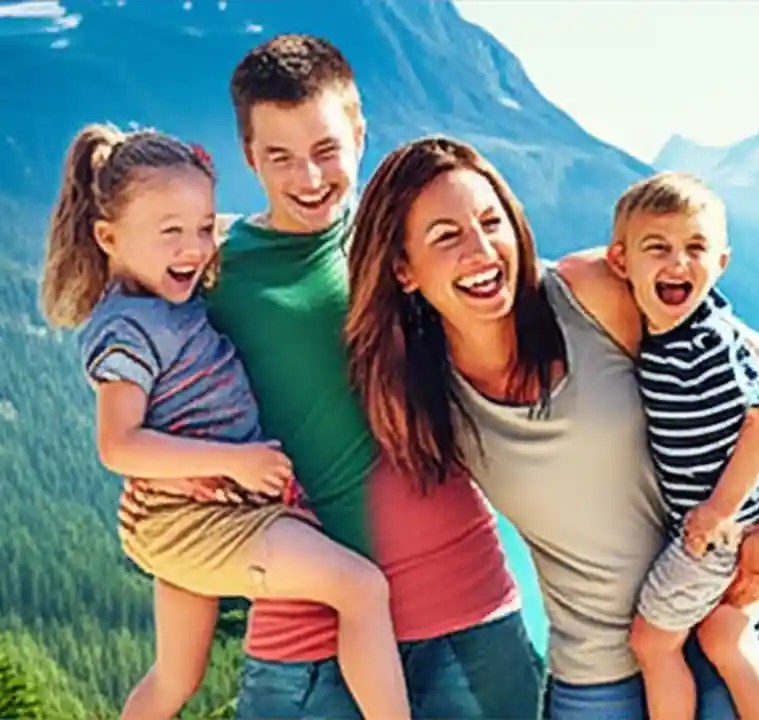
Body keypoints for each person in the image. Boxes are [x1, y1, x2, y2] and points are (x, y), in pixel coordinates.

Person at [345, 135, 759, 720]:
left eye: (490, 222)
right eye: (446, 237)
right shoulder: (422, 395)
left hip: (733, 621)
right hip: (598, 678)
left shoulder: (591, 293)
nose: (481, 251)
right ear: (403, 270)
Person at [207, 34, 543, 718]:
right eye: (280, 158)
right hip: (309, 642)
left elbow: (527, 289)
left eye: (327, 150)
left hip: (469, 620)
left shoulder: (413, 243)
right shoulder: (213, 272)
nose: (309, 178)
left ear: (360, 133)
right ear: (249, 156)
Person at [38, 123, 410, 720]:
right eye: (171, 233)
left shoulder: (167, 297)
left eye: (205, 227)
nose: (194, 248)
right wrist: (236, 461)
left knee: (175, 678)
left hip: (187, 515)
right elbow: (118, 444)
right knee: (362, 588)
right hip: (196, 520)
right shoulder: (127, 331)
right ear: (108, 236)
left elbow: (213, 233)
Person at [611, 171, 759, 720]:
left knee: (651, 642)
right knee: (723, 638)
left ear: (721, 264)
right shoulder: (682, 326)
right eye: (657, 248)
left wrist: (717, 511)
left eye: (695, 248)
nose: (678, 263)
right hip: (728, 523)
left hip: (717, 532)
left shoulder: (704, 345)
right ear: (621, 263)